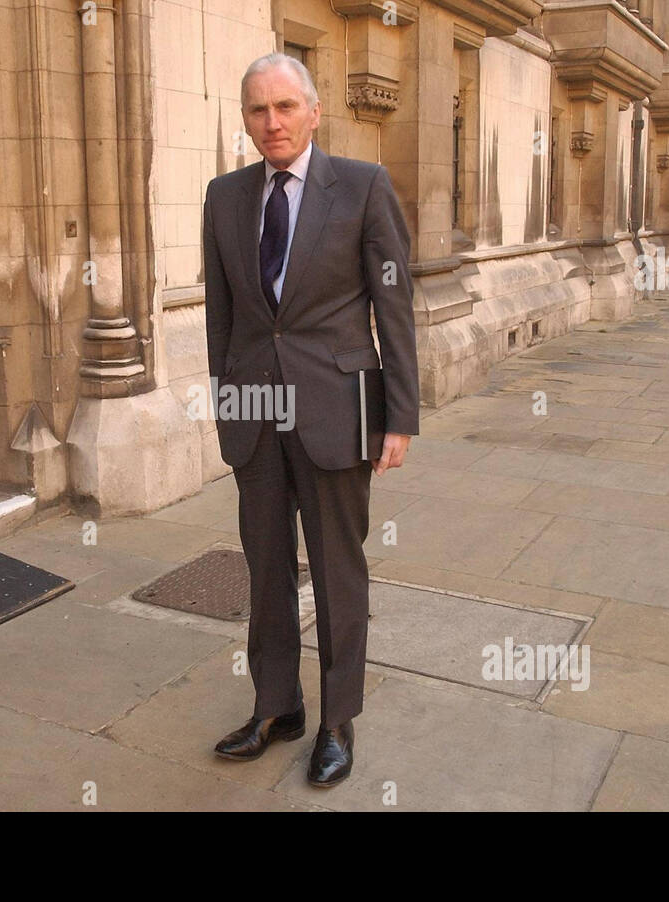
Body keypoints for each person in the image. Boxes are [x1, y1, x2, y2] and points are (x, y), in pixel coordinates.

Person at [201, 52, 420, 787]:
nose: (273, 122)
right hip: (255, 413)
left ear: (314, 112)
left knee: (336, 570)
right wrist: (225, 399)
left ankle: (336, 720)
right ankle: (276, 706)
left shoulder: (362, 186)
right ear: (246, 118)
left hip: (336, 410)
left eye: (286, 107)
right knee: (264, 566)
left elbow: (393, 304)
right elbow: (224, 316)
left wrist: (400, 416)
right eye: (258, 110)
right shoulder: (224, 196)